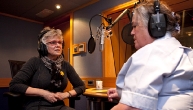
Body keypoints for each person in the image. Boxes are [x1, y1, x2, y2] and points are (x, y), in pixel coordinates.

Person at [107, 0, 193, 110]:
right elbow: (169, 91)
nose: (132, 32)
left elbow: (129, 108)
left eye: (134, 26)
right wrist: (125, 93)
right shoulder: (182, 52)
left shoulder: (153, 52)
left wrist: (129, 101)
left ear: (155, 26)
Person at [9, 27, 86, 110]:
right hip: (36, 105)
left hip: (59, 105)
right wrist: (43, 93)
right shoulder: (34, 62)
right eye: (53, 42)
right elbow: (14, 85)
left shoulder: (65, 64)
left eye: (60, 42)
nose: (58, 45)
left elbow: (81, 86)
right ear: (43, 46)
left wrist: (66, 94)